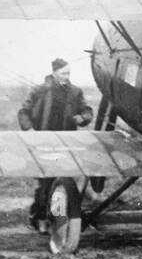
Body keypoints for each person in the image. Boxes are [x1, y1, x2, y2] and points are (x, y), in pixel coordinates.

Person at [18, 58, 93, 232]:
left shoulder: (75, 92)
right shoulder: (39, 91)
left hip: (67, 143)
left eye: (68, 73)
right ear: (54, 73)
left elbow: (87, 110)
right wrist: (29, 129)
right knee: (46, 181)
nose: (66, 76)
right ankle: (40, 218)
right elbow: (24, 111)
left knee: (66, 180)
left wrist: (83, 118)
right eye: (63, 73)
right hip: (45, 142)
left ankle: (61, 217)